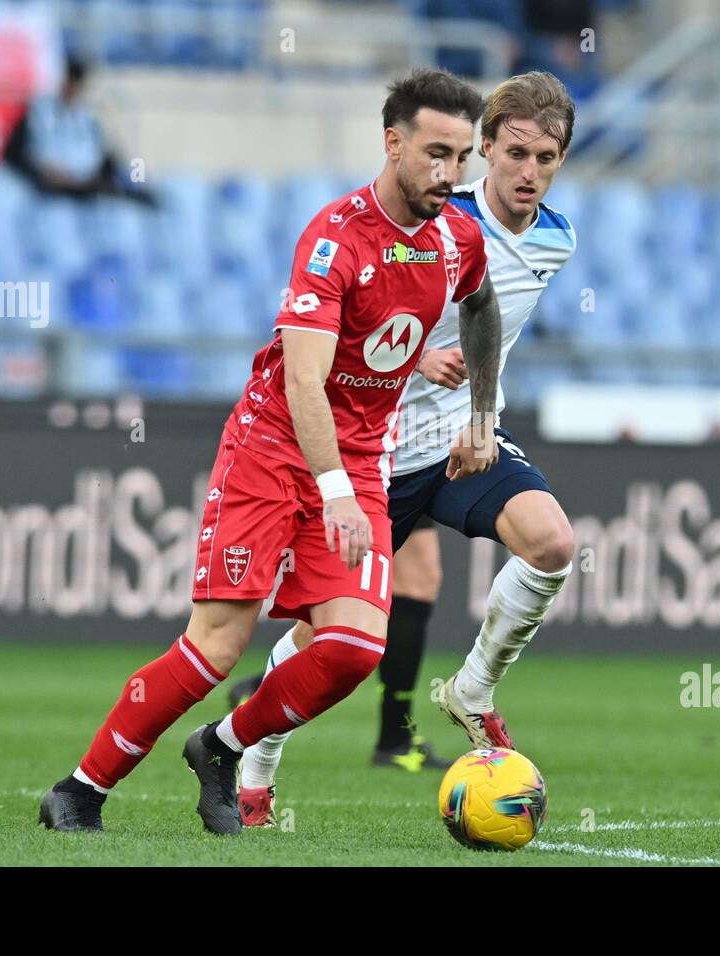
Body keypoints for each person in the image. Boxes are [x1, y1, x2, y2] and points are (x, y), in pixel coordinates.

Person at [39, 68, 501, 835]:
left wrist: (482, 410)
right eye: (435, 155)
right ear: (393, 144)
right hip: (274, 446)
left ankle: (220, 748)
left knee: (354, 649)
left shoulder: (457, 237)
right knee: (217, 645)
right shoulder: (334, 241)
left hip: (356, 459)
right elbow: (303, 379)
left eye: (462, 159)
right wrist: (337, 491)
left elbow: (480, 305)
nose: (450, 176)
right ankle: (80, 790)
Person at [230, 71, 578, 827]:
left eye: (547, 158)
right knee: (326, 637)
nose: (529, 172)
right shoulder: (438, 217)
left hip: (461, 443)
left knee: (552, 544)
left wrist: (482, 414)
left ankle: (473, 690)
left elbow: (491, 325)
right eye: (515, 153)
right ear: (483, 148)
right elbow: (353, 308)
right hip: (374, 444)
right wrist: (413, 358)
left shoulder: (557, 239)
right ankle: (253, 762)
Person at [3, 56, 152, 205]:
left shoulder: (87, 117)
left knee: (133, 192)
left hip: (86, 186)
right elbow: (14, 154)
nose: (73, 88)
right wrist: (40, 175)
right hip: (48, 189)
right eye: (70, 82)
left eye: (77, 84)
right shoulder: (38, 112)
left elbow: (104, 155)